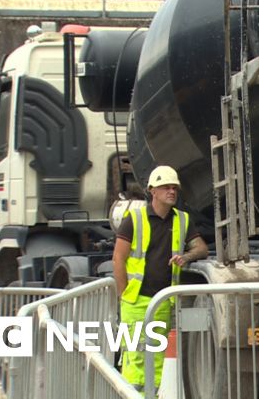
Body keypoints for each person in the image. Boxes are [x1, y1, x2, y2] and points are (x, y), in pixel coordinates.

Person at [113, 165, 209, 389]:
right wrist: (124, 295)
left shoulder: (182, 220)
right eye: (166, 187)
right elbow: (118, 258)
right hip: (136, 301)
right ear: (152, 191)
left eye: (174, 187)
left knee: (156, 358)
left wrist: (186, 256)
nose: (172, 191)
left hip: (163, 301)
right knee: (135, 356)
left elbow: (201, 248)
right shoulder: (134, 219)